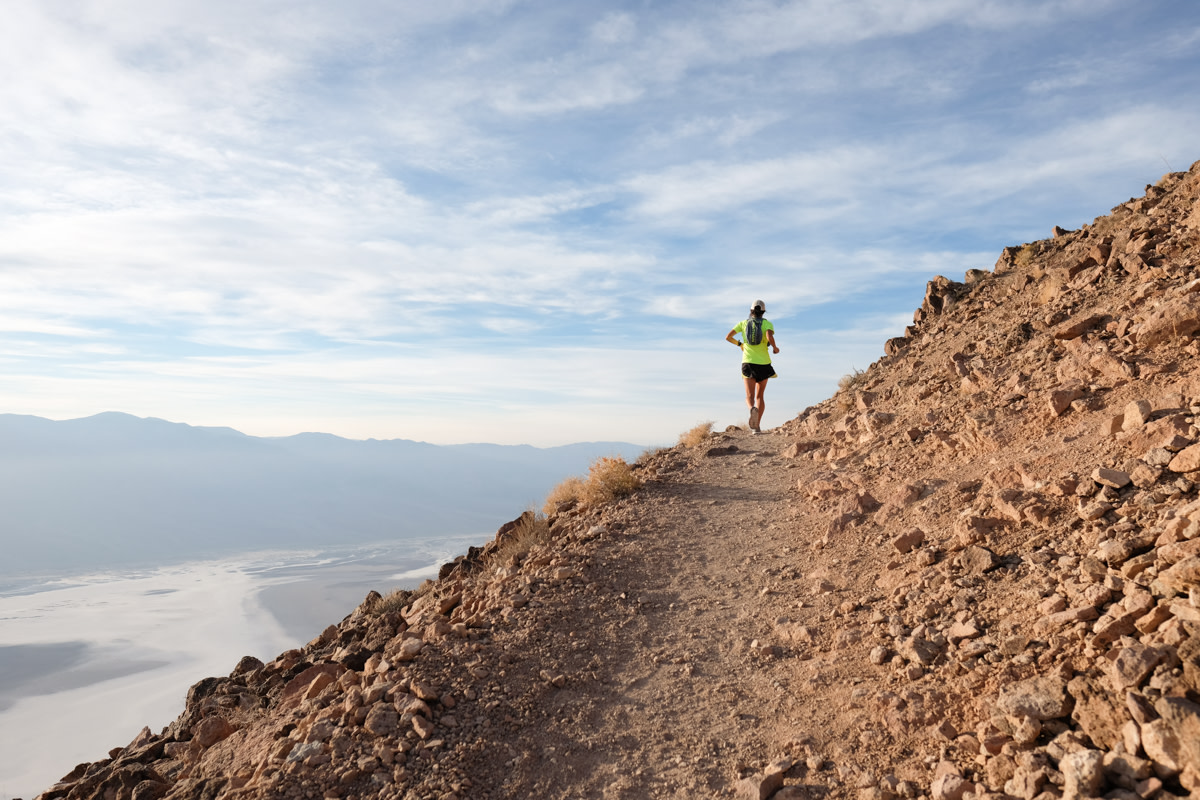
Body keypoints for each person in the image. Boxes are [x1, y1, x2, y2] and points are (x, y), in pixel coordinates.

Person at [725, 300, 779, 433]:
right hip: (764, 363)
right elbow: (768, 336)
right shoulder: (767, 323)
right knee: (760, 396)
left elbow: (728, 337)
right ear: (763, 312)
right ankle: (757, 427)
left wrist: (740, 345)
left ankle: (751, 409)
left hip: (748, 362)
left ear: (751, 311)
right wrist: (775, 347)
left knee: (749, 396)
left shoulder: (743, 323)